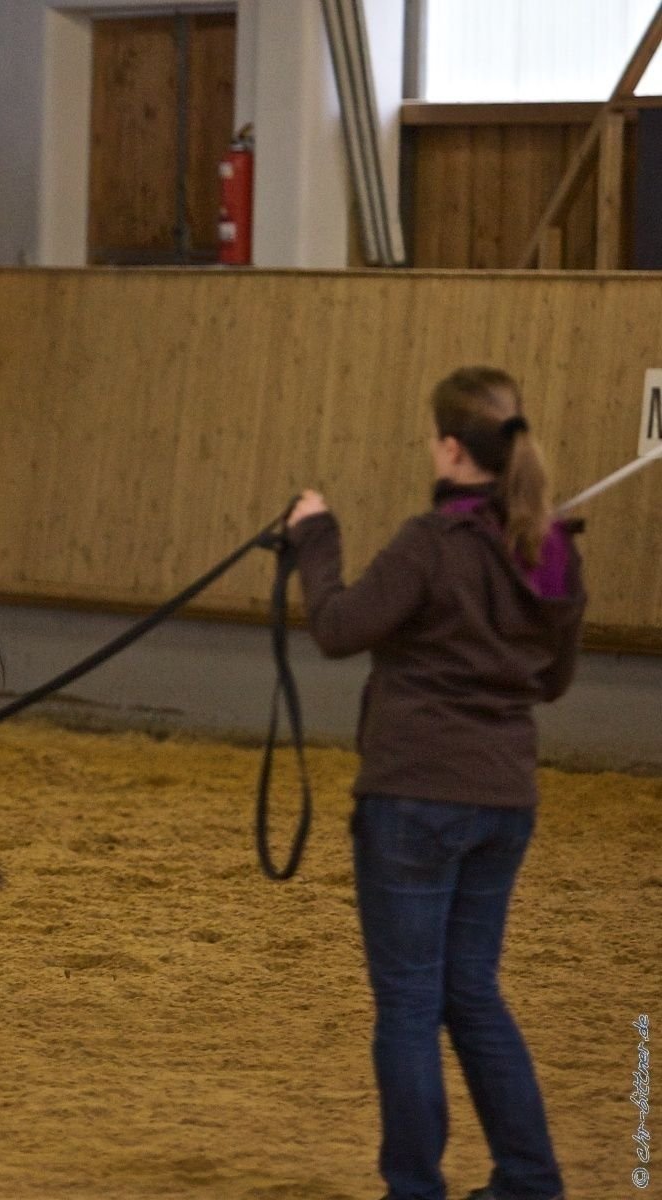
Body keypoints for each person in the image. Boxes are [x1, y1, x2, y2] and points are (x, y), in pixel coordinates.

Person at [284, 367, 583, 1200]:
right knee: (472, 993)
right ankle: (530, 1179)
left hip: (415, 795)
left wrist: (316, 536)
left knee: (411, 1003)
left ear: (452, 448)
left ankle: (415, 1188)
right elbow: (554, 680)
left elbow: (338, 626)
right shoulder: (553, 549)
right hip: (504, 797)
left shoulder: (430, 543)